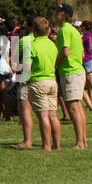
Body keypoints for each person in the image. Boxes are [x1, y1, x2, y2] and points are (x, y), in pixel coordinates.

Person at [53, 5, 87, 149]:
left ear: (63, 15)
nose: (55, 14)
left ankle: (80, 142)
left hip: (70, 71)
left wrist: (55, 63)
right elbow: (82, 54)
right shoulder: (74, 30)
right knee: (78, 107)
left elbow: (65, 51)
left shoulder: (65, 30)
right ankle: (83, 141)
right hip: (77, 70)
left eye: (57, 12)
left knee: (73, 108)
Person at [25, 18, 60, 151]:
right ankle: (57, 144)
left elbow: (27, 68)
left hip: (38, 81)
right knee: (53, 115)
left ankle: (46, 145)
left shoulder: (32, 46)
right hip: (52, 80)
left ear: (33, 30)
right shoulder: (52, 44)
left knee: (43, 115)